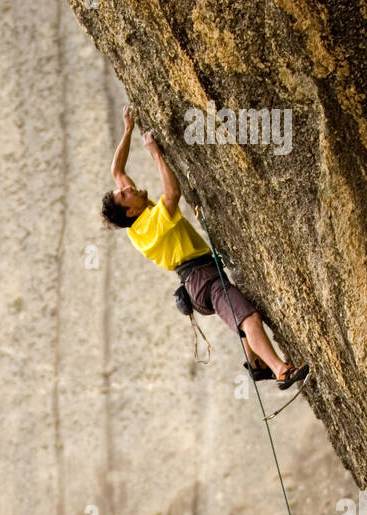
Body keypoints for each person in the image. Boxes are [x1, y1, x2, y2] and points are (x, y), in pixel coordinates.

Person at [102, 105, 309, 391]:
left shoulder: (137, 213)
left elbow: (117, 170)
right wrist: (155, 153)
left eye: (124, 189)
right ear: (129, 212)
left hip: (200, 277)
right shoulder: (147, 226)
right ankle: (281, 370)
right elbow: (172, 195)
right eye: (125, 195)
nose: (128, 188)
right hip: (202, 279)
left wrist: (127, 129)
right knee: (249, 317)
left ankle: (256, 364)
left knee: (241, 310)